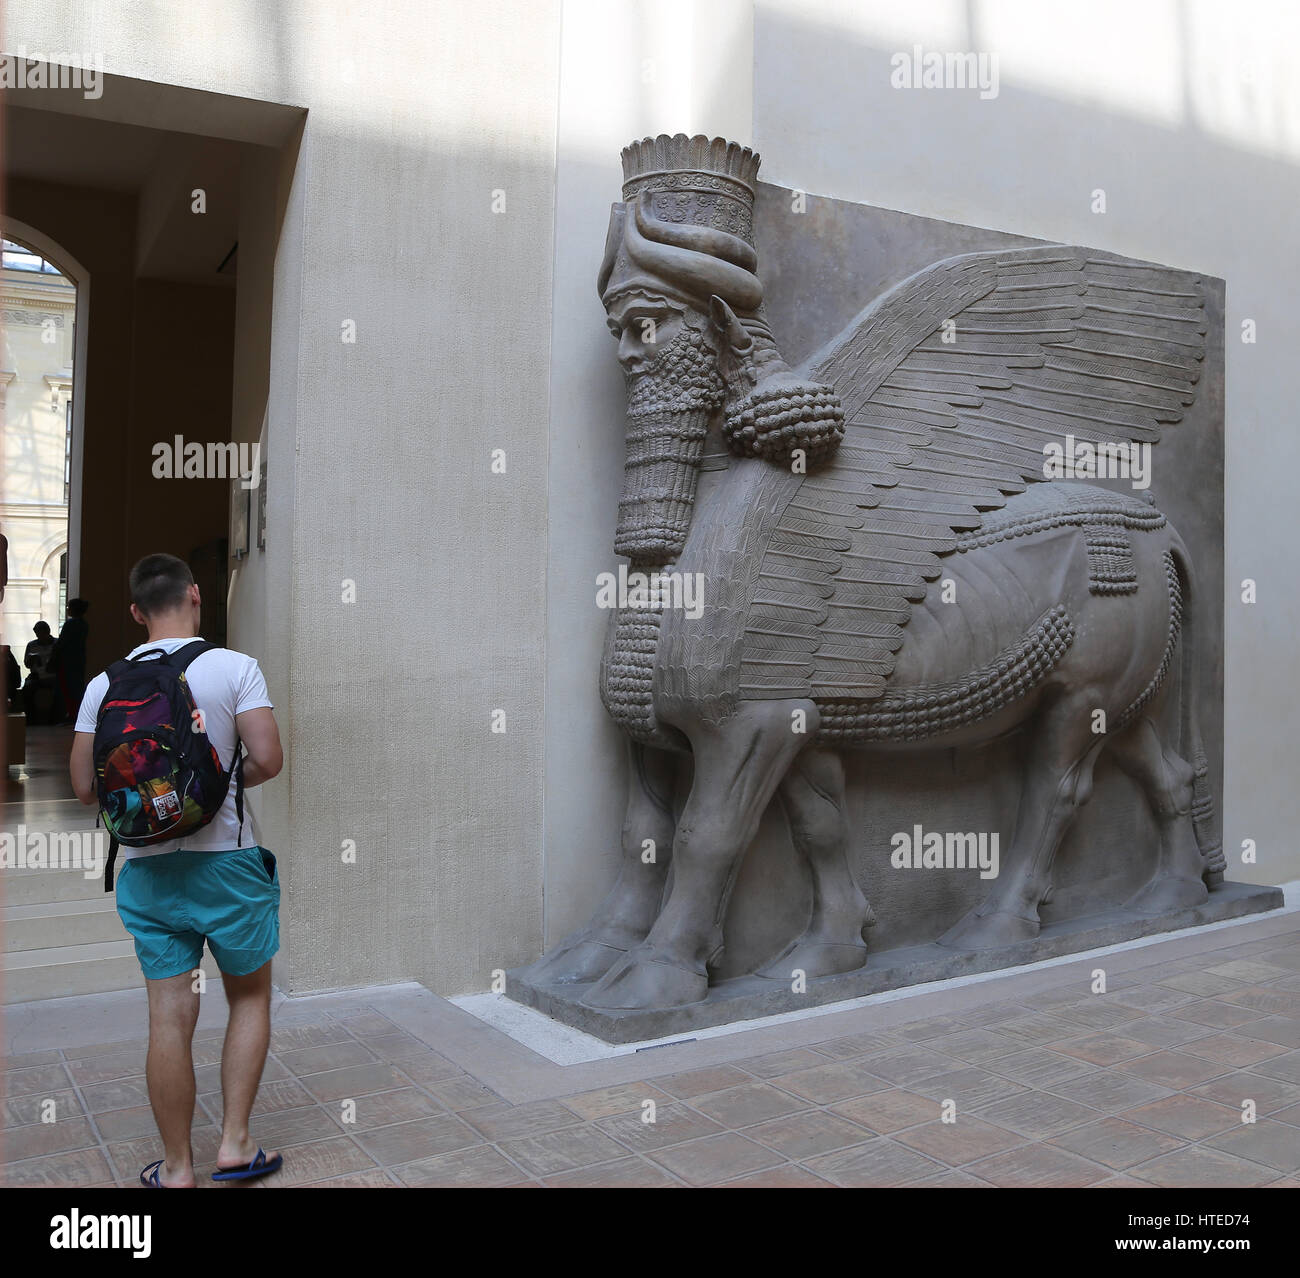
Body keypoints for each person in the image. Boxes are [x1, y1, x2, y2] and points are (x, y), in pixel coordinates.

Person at [69, 554, 284, 1188]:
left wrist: (156, 801)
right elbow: (268, 760)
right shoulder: (235, 667)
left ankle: (177, 1167)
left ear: (136, 612)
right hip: (230, 864)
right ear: (196, 595)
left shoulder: (104, 685)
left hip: (147, 871)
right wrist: (211, 790)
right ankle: (236, 1146)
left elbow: (85, 787)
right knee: (248, 997)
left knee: (168, 1016)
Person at [52, 597, 90, 723]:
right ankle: (76, 714)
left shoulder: (70, 624)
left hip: (67, 660)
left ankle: (70, 715)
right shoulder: (84, 624)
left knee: (67, 688)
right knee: (76, 687)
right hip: (78, 659)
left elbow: (61, 643)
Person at [22, 621, 58, 723]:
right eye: (37, 634)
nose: (40, 637)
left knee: (59, 691)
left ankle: (54, 719)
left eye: (42, 634)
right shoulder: (31, 645)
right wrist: (32, 660)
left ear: (48, 632)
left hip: (54, 675)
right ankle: (31, 719)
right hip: (36, 675)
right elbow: (27, 665)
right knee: (27, 688)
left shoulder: (57, 644)